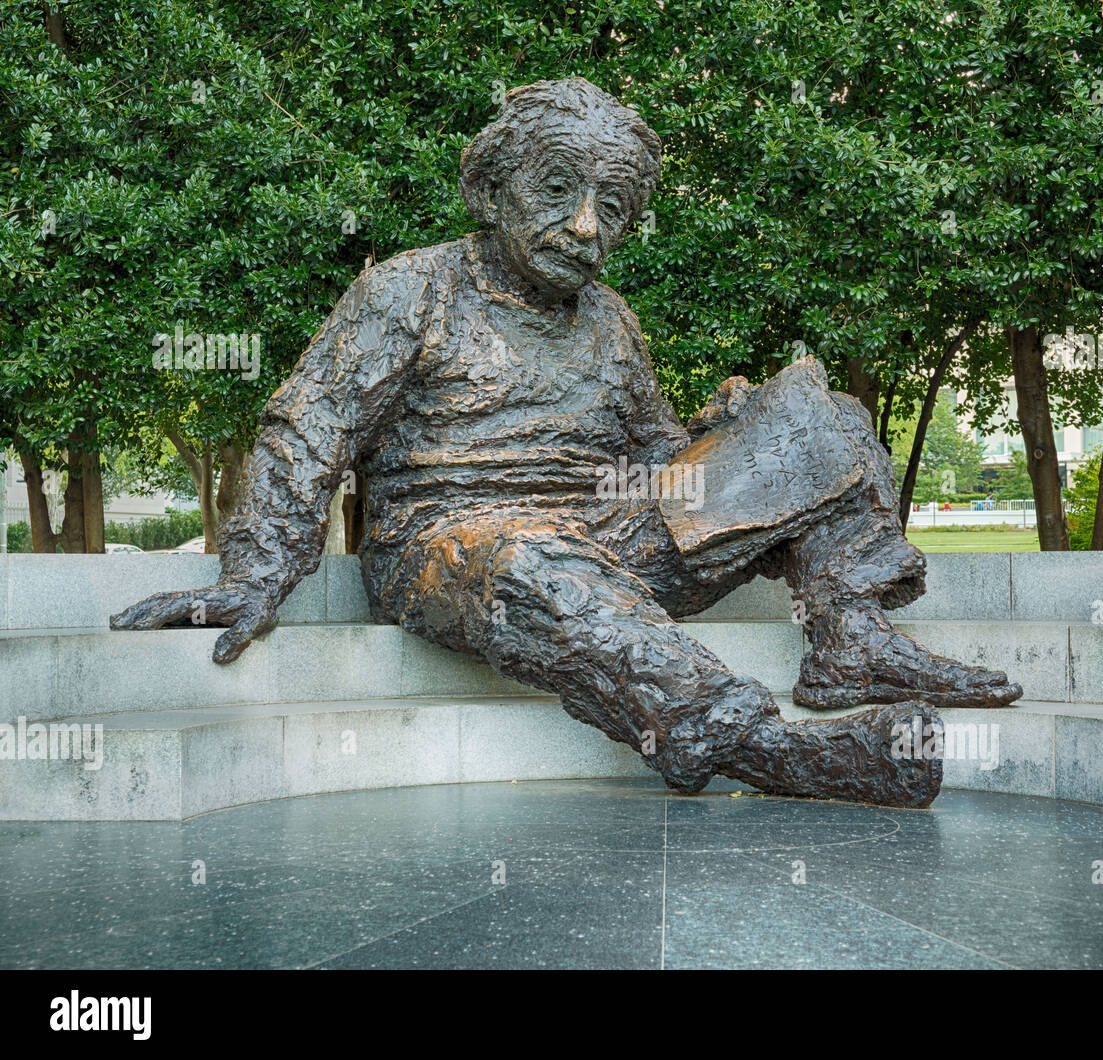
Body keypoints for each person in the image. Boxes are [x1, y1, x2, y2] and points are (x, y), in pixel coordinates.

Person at [112, 79, 1020, 806]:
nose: (587, 226)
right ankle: (762, 745)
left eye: (613, 207)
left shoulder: (611, 322)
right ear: (489, 189)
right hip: (452, 542)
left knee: (821, 422)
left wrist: (725, 440)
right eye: (558, 191)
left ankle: (849, 639)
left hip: (610, 529)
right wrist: (253, 572)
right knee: (534, 566)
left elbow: (661, 461)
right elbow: (308, 425)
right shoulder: (409, 293)